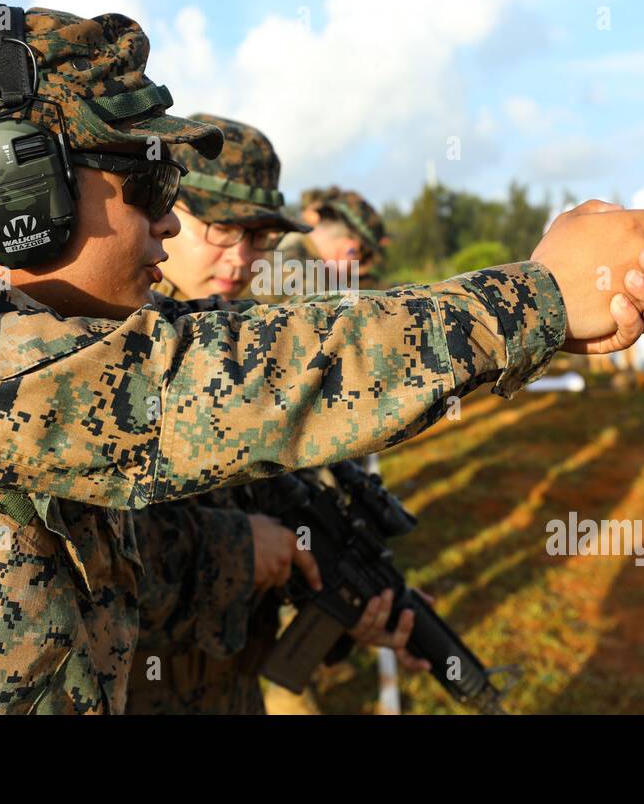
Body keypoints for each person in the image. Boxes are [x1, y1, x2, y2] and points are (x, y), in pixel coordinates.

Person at [0, 2, 644, 715]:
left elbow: (113, 562)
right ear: (19, 193)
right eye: (144, 185)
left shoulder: (13, 348)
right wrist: (532, 297)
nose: (170, 218)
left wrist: (260, 557)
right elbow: (191, 387)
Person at [126, 115, 425, 714]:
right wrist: (241, 548)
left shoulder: (246, 347)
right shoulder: (111, 344)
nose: (241, 257)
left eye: (259, 237)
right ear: (163, 208)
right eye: (220, 229)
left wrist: (340, 607)